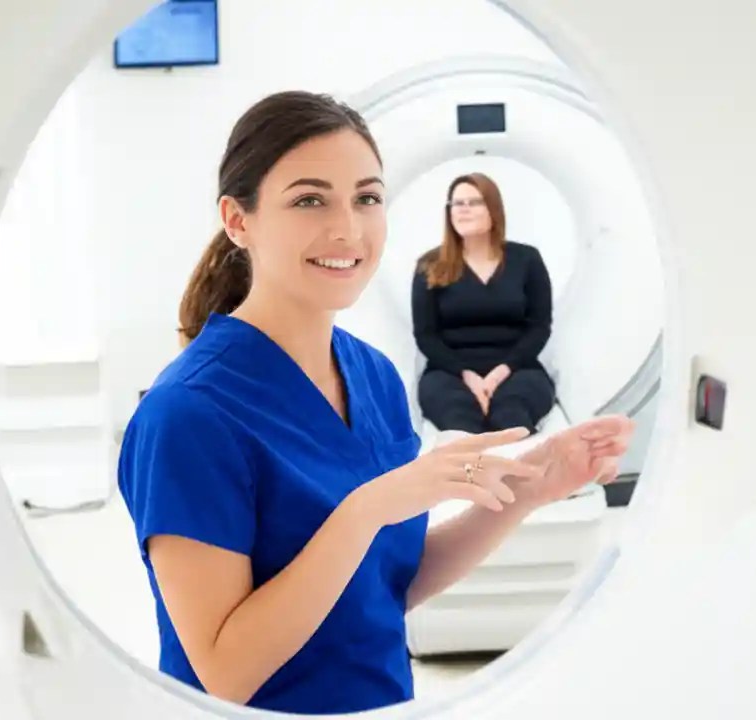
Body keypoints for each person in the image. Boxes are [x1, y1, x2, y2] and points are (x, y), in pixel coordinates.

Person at [118, 91, 634, 716]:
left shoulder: (375, 377)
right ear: (238, 220)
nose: (348, 229)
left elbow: (388, 585)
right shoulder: (189, 415)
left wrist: (526, 489)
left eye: (366, 197)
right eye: (309, 199)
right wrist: (368, 508)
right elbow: (226, 672)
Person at [412, 173, 556, 436]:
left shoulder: (527, 260)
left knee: (512, 417)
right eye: (457, 203)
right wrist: (468, 375)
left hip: (517, 369)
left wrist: (499, 374)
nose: (464, 209)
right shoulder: (430, 265)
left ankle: (521, 474)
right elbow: (426, 335)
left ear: (493, 209)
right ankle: (468, 476)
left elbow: (539, 327)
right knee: (459, 421)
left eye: (474, 202)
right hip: (449, 372)